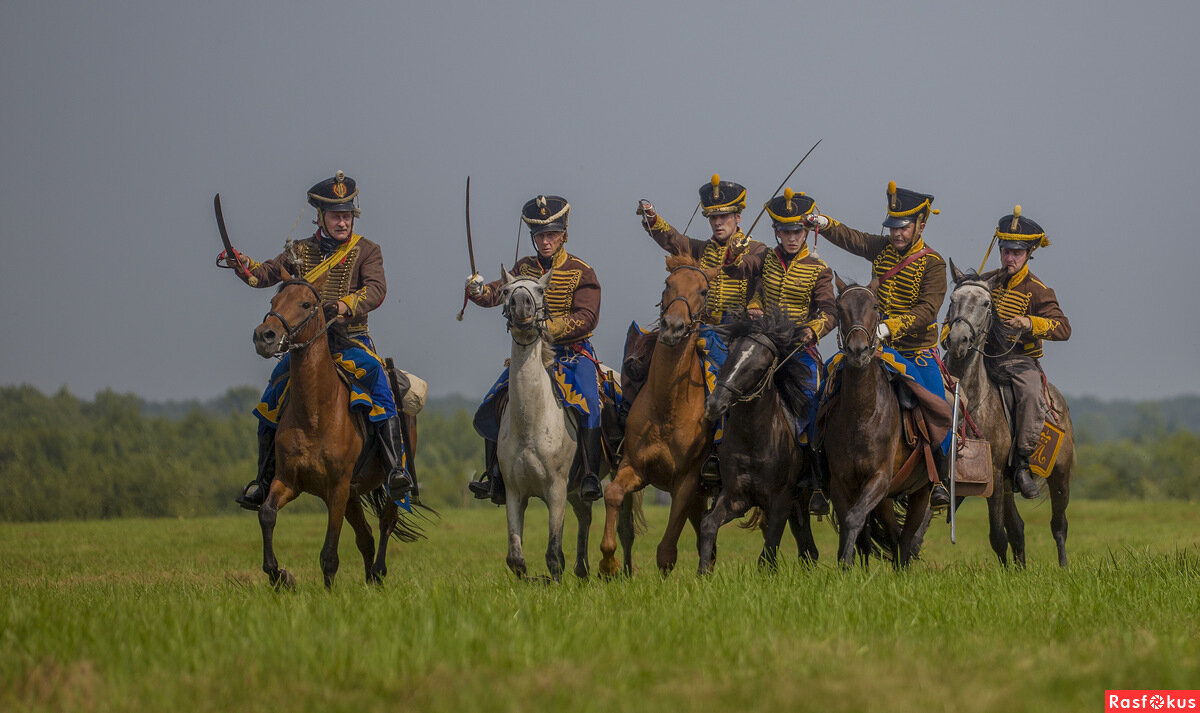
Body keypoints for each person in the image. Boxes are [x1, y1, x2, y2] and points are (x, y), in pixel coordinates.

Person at [225, 171, 412, 510]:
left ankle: (396, 469)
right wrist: (243, 265)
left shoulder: (367, 250)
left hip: (350, 339)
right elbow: (265, 274)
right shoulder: (299, 250)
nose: (343, 222)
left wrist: (346, 304)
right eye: (336, 216)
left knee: (381, 384)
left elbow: (376, 289)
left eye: (347, 215)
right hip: (304, 345)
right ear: (321, 217)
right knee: (270, 399)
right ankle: (264, 479)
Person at [802, 181, 951, 507]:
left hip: (915, 351)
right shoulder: (881, 248)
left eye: (904, 227)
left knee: (938, 405)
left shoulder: (933, 264)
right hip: (873, 348)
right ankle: (816, 474)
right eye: (893, 227)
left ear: (920, 226)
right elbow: (852, 238)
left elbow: (927, 311)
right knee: (825, 386)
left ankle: (939, 477)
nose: (897, 234)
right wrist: (824, 224)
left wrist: (889, 327)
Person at [464, 195, 607, 505]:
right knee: (496, 400)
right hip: (529, 357)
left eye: (551, 234)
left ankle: (590, 476)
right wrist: (478, 290)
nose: (545, 241)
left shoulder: (581, 271)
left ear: (563, 235)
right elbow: (497, 293)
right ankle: (494, 477)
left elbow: (587, 316)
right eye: (540, 235)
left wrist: (550, 329)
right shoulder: (523, 268)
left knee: (591, 403)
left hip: (570, 355)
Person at [633, 177, 768, 483]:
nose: (717, 223)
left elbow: (760, 278)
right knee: (643, 357)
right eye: (713, 217)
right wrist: (653, 219)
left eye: (724, 217)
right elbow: (672, 240)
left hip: (736, 334)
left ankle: (718, 449)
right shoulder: (702, 248)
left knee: (724, 383)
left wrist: (755, 302)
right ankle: (628, 438)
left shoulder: (758, 250)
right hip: (699, 329)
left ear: (738, 217)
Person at [743, 189, 836, 513]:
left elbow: (829, 311)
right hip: (765, 344)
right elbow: (753, 289)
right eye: (785, 231)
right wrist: (754, 306)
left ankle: (814, 479)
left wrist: (814, 328)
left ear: (806, 232)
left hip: (798, 349)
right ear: (776, 232)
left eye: (797, 231)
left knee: (813, 401)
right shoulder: (765, 259)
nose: (791, 237)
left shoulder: (818, 268)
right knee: (731, 384)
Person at [981, 206, 1071, 498]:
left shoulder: (1038, 289)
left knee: (1031, 393)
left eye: (1015, 253)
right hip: (983, 358)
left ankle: (1021, 463)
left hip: (1020, 361)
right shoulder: (988, 281)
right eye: (1005, 251)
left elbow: (1063, 329)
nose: (1009, 257)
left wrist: (1030, 322)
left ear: (1028, 253)